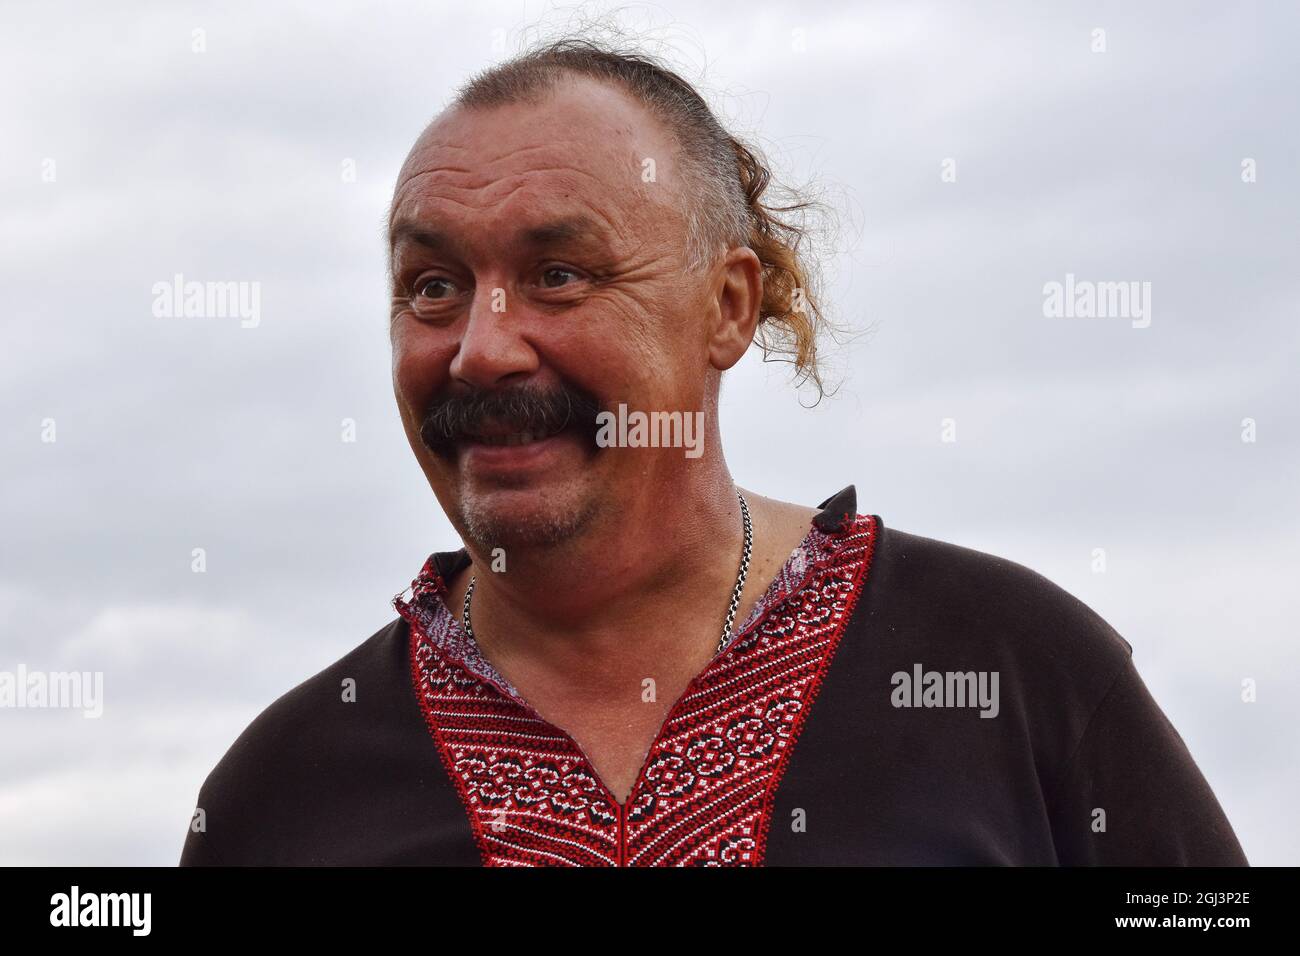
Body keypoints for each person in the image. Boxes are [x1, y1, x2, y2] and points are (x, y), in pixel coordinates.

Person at [179, 38, 1247, 867]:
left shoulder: (1013, 672)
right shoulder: (278, 796)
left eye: (558, 273)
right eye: (432, 286)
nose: (480, 349)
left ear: (728, 306)